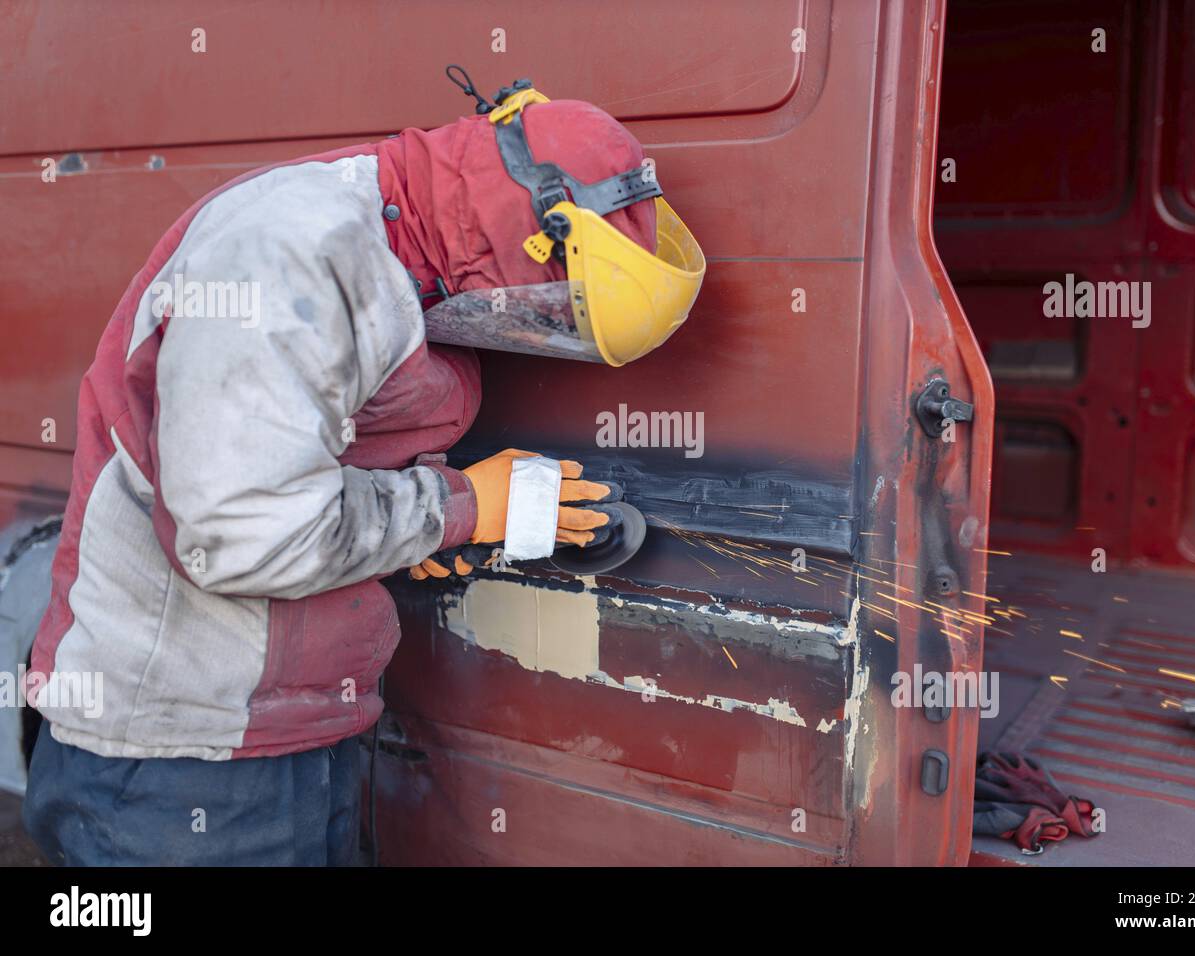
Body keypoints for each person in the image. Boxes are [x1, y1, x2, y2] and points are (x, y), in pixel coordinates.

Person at [22, 73, 704, 865]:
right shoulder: (294, 257)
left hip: (278, 736)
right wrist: (458, 508)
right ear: (523, 234)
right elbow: (237, 532)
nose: (535, 332)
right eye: (550, 311)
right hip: (178, 766)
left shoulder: (403, 246)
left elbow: (307, 457)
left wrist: (418, 528)